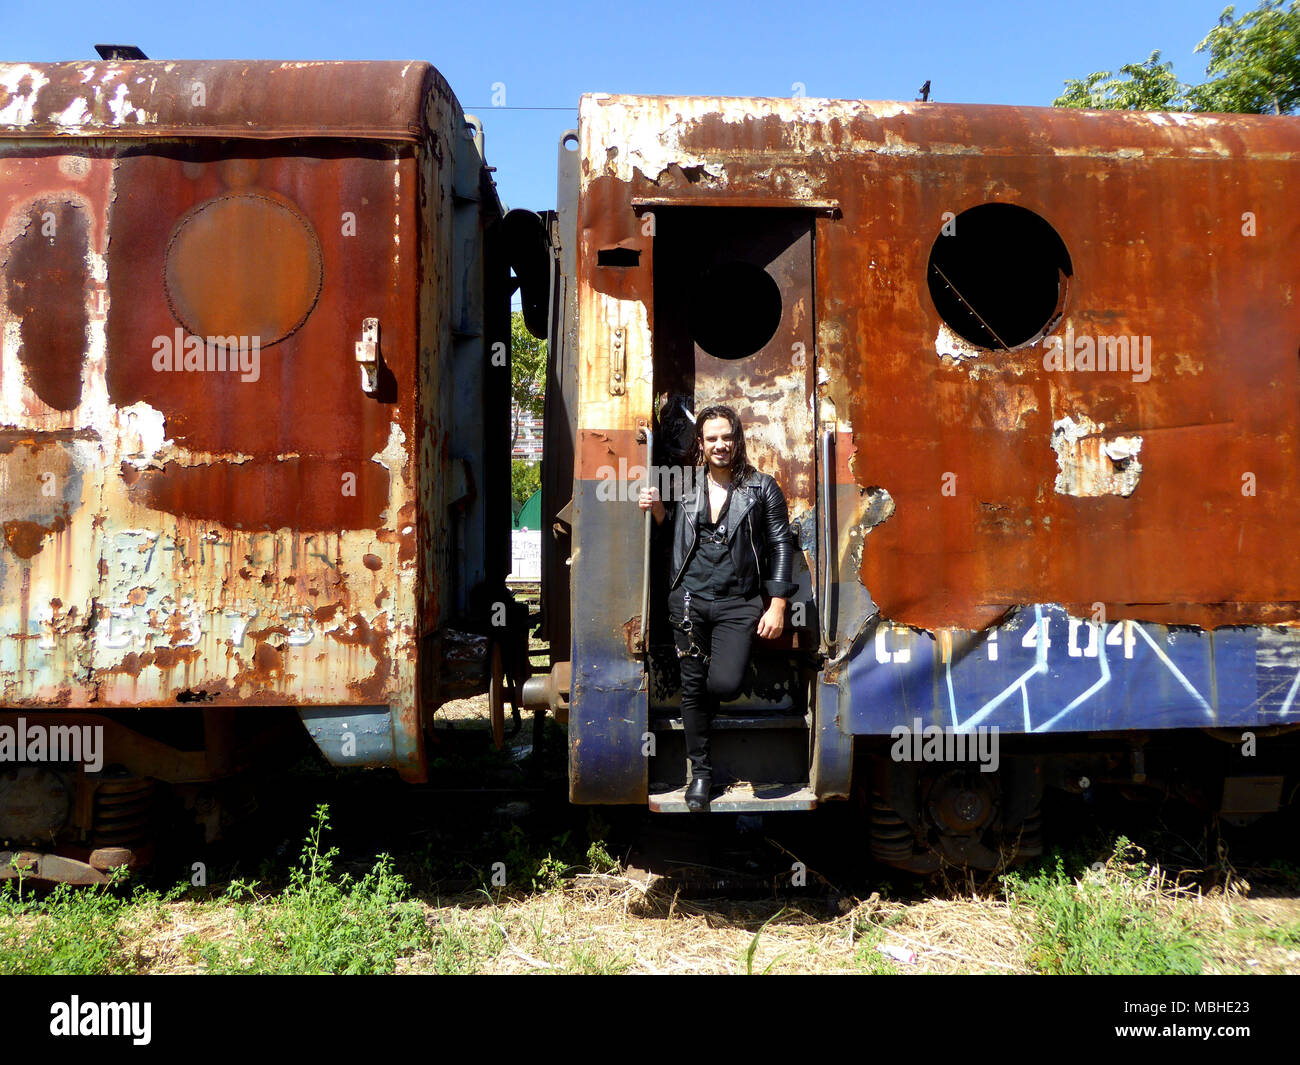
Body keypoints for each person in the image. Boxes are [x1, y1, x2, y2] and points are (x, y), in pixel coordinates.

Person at [638, 404, 797, 811]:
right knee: (691, 687)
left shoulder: (762, 488)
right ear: (702, 445)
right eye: (711, 439)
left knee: (724, 684)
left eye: (726, 437)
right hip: (688, 599)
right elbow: (670, 534)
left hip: (738, 602)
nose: (720, 445)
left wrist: (777, 604)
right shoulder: (686, 486)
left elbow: (781, 545)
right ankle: (701, 775)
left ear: (737, 439)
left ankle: (702, 720)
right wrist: (657, 511)